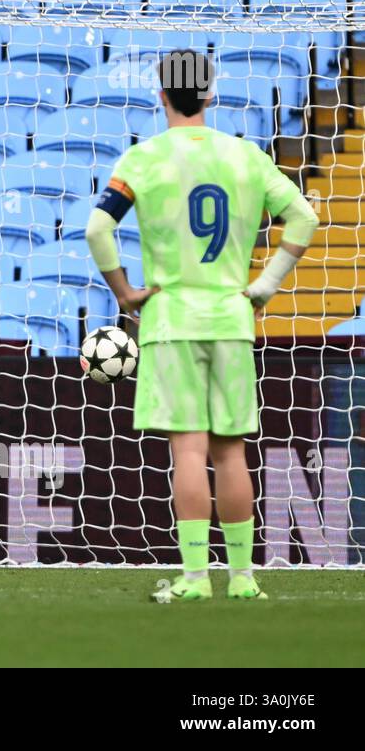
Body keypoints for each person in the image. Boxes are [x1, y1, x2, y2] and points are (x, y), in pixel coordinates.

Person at [85, 50, 319, 601]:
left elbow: (98, 230)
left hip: (171, 320)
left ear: (161, 96)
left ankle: (194, 579)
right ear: (211, 96)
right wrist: (264, 286)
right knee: (231, 450)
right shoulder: (245, 156)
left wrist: (125, 292)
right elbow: (304, 217)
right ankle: (242, 579)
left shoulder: (142, 159)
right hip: (232, 318)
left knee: (188, 450)